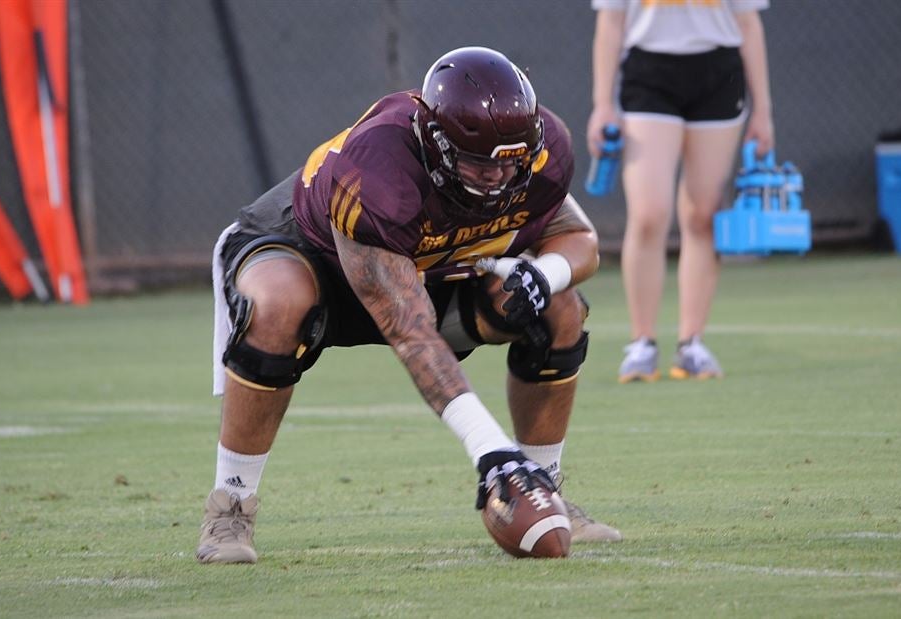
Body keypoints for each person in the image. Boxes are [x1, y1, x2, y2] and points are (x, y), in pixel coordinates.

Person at [197, 46, 622, 564]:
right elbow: (410, 331)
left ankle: (541, 485)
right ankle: (231, 505)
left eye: (509, 163)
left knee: (561, 308)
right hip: (313, 256)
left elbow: (579, 239)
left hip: (428, 271)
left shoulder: (538, 153)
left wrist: (544, 273)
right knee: (279, 305)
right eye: (476, 162)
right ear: (436, 143)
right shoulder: (380, 167)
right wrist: (489, 450)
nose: (496, 178)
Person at [588, 0, 775, 382]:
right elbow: (610, 22)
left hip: (719, 71)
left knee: (702, 214)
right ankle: (642, 343)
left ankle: (692, 344)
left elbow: (749, 24)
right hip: (648, 71)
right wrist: (602, 105)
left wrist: (764, 111)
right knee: (649, 214)